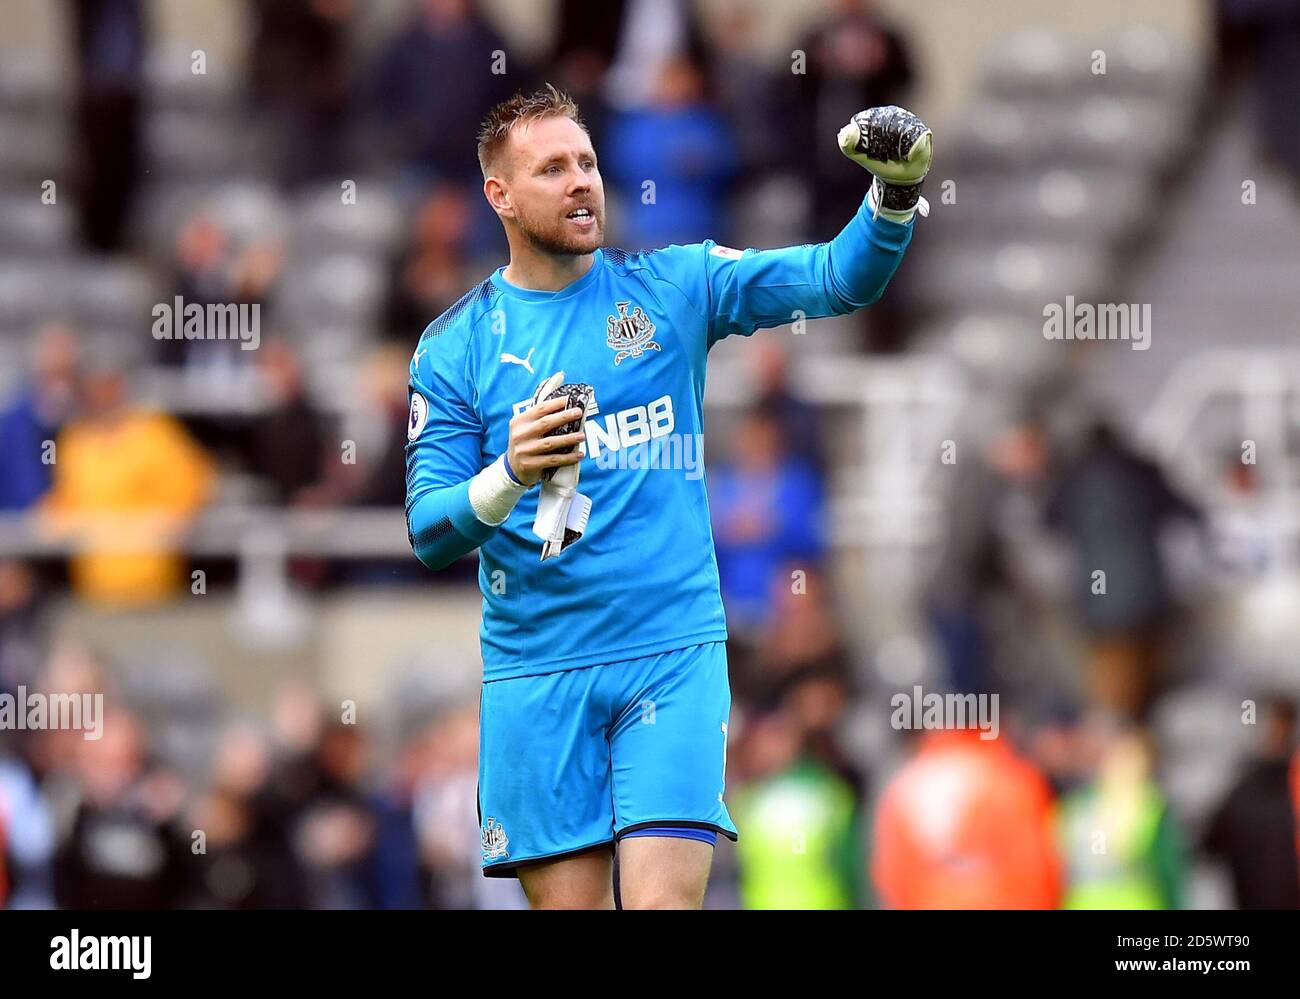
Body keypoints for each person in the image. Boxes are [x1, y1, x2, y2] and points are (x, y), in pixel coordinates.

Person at [404, 84, 930, 908]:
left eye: (586, 162)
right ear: (499, 196)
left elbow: (837, 277)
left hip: (671, 652)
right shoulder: (455, 347)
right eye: (551, 169)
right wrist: (507, 473)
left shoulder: (674, 286)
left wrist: (893, 196)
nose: (580, 181)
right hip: (537, 668)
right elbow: (429, 529)